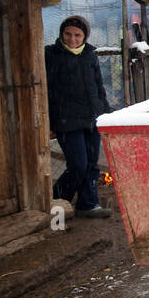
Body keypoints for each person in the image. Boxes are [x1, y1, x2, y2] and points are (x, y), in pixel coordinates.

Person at [46, 15, 112, 218]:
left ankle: (88, 204)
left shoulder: (89, 55)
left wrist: (105, 113)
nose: (72, 39)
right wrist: (49, 120)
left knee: (91, 165)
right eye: (68, 34)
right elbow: (46, 90)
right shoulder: (51, 55)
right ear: (61, 34)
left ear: (84, 36)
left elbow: (99, 87)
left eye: (77, 35)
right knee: (78, 165)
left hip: (91, 117)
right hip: (66, 120)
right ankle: (57, 201)